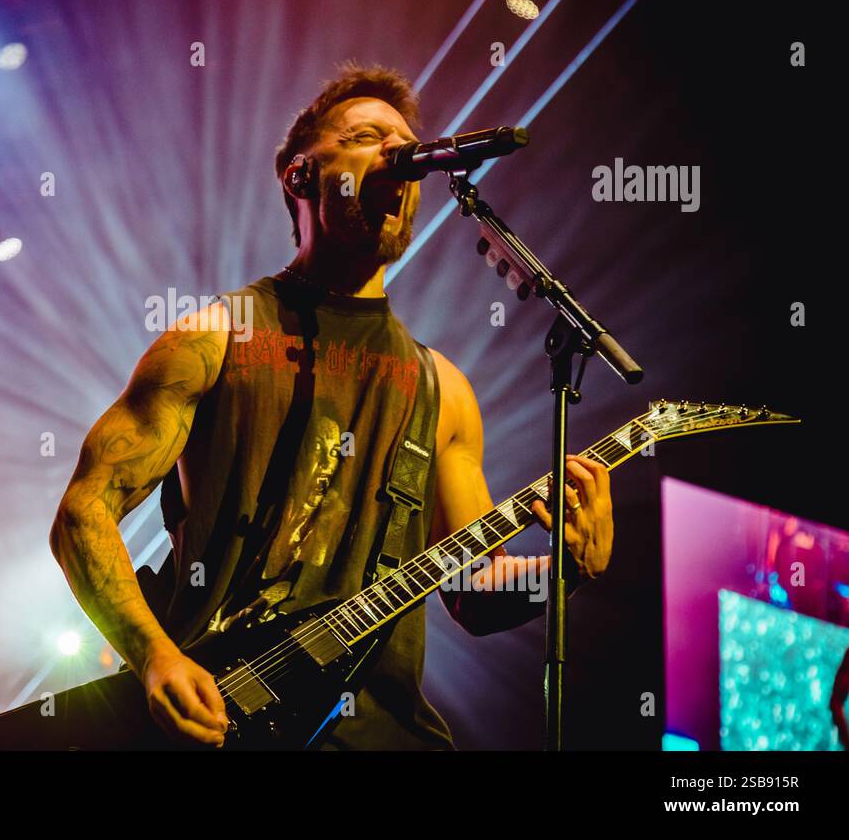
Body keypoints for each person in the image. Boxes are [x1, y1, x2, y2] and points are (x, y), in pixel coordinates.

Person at [49, 62, 614, 749]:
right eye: (369, 137)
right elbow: (84, 511)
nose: (398, 159)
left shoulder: (442, 389)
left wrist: (565, 574)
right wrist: (153, 655)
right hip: (222, 720)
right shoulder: (215, 337)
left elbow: (471, 592)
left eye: (407, 146)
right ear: (300, 176)